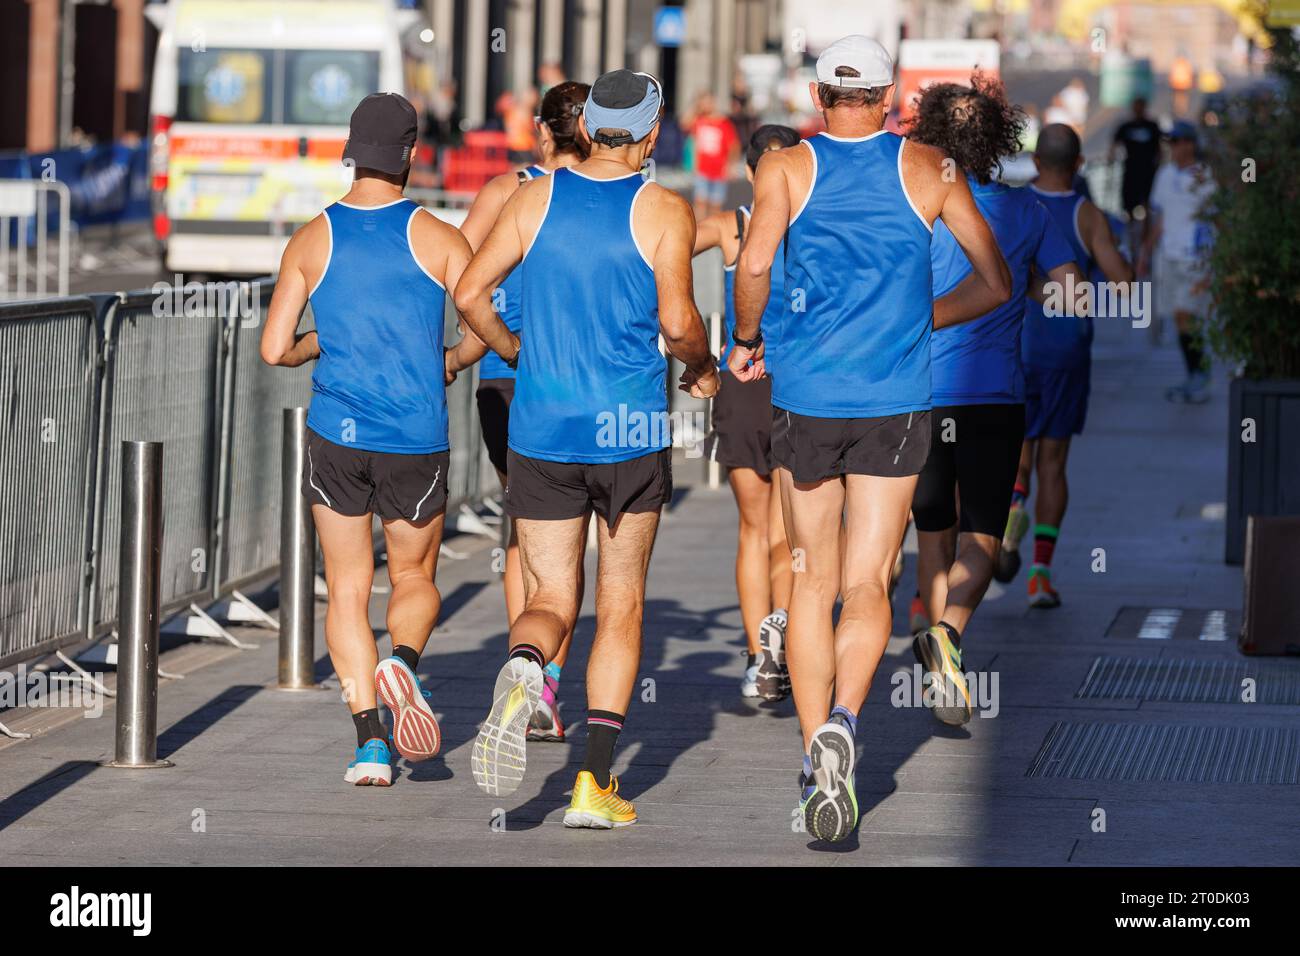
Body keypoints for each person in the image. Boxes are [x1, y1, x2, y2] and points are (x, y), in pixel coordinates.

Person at [729, 35, 1011, 843]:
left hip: (810, 401)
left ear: (819, 98)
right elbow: (995, 281)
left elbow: (753, 267)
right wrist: (919, 321)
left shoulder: (785, 168)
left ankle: (817, 743)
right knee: (870, 580)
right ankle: (848, 722)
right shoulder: (930, 169)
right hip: (895, 402)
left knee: (809, 579)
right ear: (891, 100)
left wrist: (748, 337)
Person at [453, 69, 719, 828]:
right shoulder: (663, 208)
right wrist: (700, 368)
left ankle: (524, 668)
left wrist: (516, 349)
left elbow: (470, 291)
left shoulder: (532, 197)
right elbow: (678, 321)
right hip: (628, 431)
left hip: (541, 430)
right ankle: (591, 787)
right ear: (651, 130)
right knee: (621, 601)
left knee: (548, 599)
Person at [261, 93, 475, 787]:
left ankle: (369, 745)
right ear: (411, 153)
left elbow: (273, 349)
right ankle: (403, 665)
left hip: (336, 438)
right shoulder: (439, 236)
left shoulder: (311, 238)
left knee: (348, 589)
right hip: (415, 435)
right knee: (413, 578)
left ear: (351, 150)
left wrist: (315, 345)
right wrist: (448, 359)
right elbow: (481, 325)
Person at [905, 77, 1084, 726]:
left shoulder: (914, 203)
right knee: (983, 534)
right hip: (995, 396)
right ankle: (949, 634)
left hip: (918, 395)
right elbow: (1069, 291)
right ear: (999, 138)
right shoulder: (1029, 213)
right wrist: (1026, 287)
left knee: (933, 537)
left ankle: (935, 646)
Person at [456, 80, 591, 743]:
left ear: (541, 133)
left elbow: (458, 276)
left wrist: (466, 351)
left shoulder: (507, 192)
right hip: (574, 387)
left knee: (525, 528)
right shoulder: (607, 198)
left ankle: (525, 669)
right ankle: (547, 684)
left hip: (504, 378)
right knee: (568, 542)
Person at [999, 124, 1133, 606]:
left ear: (1035, 162)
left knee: (1020, 457)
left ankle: (1012, 507)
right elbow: (1123, 286)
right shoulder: (1088, 215)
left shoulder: (1012, 206)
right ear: (1078, 165)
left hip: (1012, 348)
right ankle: (1039, 574)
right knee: (1054, 463)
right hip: (1066, 353)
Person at [694, 123, 800, 701]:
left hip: (751, 385)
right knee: (780, 533)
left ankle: (763, 656)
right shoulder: (806, 228)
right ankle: (773, 645)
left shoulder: (734, 229)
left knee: (759, 530)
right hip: (784, 388)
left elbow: (655, 247)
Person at [1139, 120, 1215, 403]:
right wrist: (1146, 252)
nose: (1172, 147)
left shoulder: (1204, 176)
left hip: (1194, 259)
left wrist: (1216, 261)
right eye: (1170, 142)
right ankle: (1194, 374)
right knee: (1180, 319)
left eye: (1177, 141)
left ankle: (1200, 375)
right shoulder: (1164, 174)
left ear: (1190, 144)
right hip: (1168, 256)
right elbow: (1160, 217)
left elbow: (1215, 218)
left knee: (1187, 315)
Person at [1109, 97, 1162, 243]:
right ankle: (1132, 237)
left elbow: (1160, 149)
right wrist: (1111, 158)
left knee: (1148, 204)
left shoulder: (1152, 126)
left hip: (1148, 172)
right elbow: (1114, 144)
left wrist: (1158, 165)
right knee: (1129, 205)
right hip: (1130, 171)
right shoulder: (1126, 126)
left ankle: (1145, 237)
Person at [684, 91, 740, 219]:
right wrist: (695, 108)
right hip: (702, 170)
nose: (706, 105)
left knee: (715, 207)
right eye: (703, 103)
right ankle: (699, 233)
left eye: (708, 102)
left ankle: (712, 235)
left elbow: (734, 146)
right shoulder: (699, 120)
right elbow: (684, 123)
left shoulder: (724, 123)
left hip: (719, 171)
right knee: (700, 203)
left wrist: (732, 165)